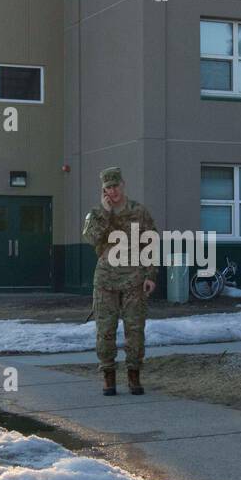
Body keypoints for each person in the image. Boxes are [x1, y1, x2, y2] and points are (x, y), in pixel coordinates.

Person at [81, 167, 158, 395]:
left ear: (123, 185)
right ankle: (109, 376)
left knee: (135, 330)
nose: (112, 191)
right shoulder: (96, 214)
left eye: (115, 186)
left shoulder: (139, 211)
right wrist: (105, 212)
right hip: (106, 280)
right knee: (105, 330)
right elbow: (92, 237)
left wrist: (151, 275)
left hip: (134, 278)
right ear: (103, 190)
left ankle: (134, 375)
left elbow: (151, 243)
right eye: (107, 188)